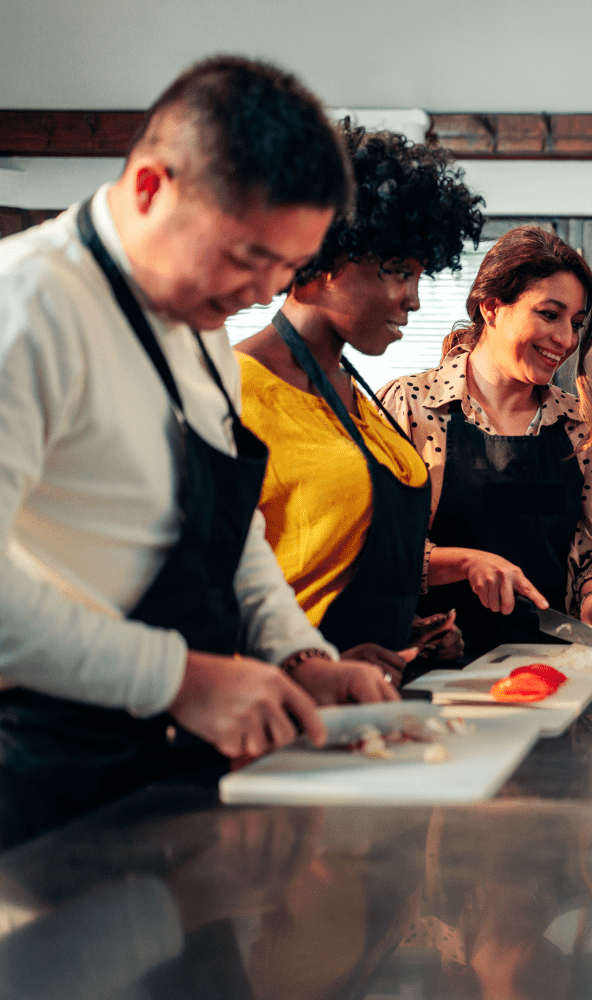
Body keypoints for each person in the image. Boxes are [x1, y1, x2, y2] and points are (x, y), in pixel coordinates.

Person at [0, 56, 398, 848]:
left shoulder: (204, 325)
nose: (259, 292)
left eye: (286, 268)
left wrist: (296, 658)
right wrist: (178, 678)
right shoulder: (30, 306)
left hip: (177, 761)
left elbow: (228, 530)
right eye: (247, 257)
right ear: (151, 186)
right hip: (45, 772)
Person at [234, 124, 483, 684]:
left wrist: (403, 633)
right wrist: (313, 665)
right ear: (323, 257)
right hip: (283, 705)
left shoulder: (358, 395)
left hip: (367, 700)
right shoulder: (234, 390)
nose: (414, 300)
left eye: (419, 275)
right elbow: (213, 584)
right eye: (398, 270)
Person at [379, 225, 592, 662]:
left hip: (556, 666)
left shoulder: (580, 423)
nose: (566, 340)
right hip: (435, 667)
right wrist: (465, 561)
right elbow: (379, 550)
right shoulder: (411, 406)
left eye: (576, 323)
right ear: (492, 307)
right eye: (549, 315)